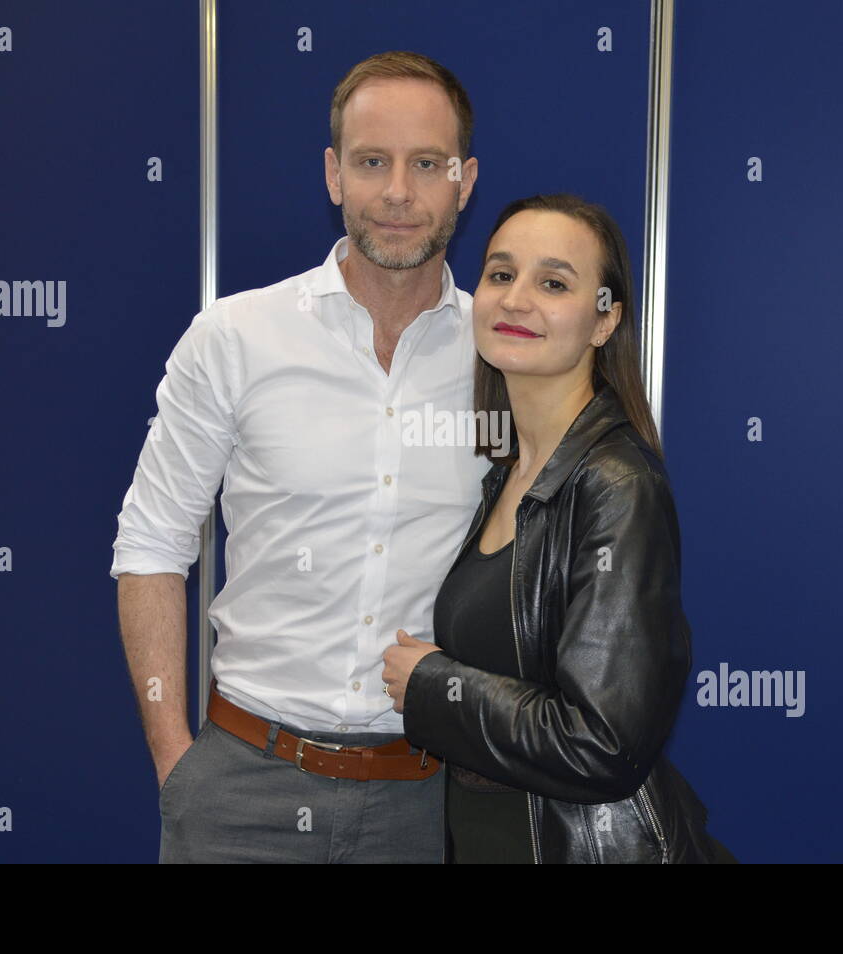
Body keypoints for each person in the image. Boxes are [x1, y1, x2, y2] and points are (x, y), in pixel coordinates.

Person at [110, 51, 490, 863]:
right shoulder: (236, 338)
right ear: (333, 174)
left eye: (427, 164)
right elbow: (150, 545)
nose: (398, 191)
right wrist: (177, 765)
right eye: (372, 161)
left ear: (465, 181)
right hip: (240, 791)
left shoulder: (501, 363)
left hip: (427, 805)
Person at [382, 193, 737, 863]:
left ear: (605, 321)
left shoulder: (618, 486)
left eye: (553, 284)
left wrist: (434, 687)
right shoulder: (506, 475)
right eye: (500, 274)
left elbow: (603, 743)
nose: (516, 299)